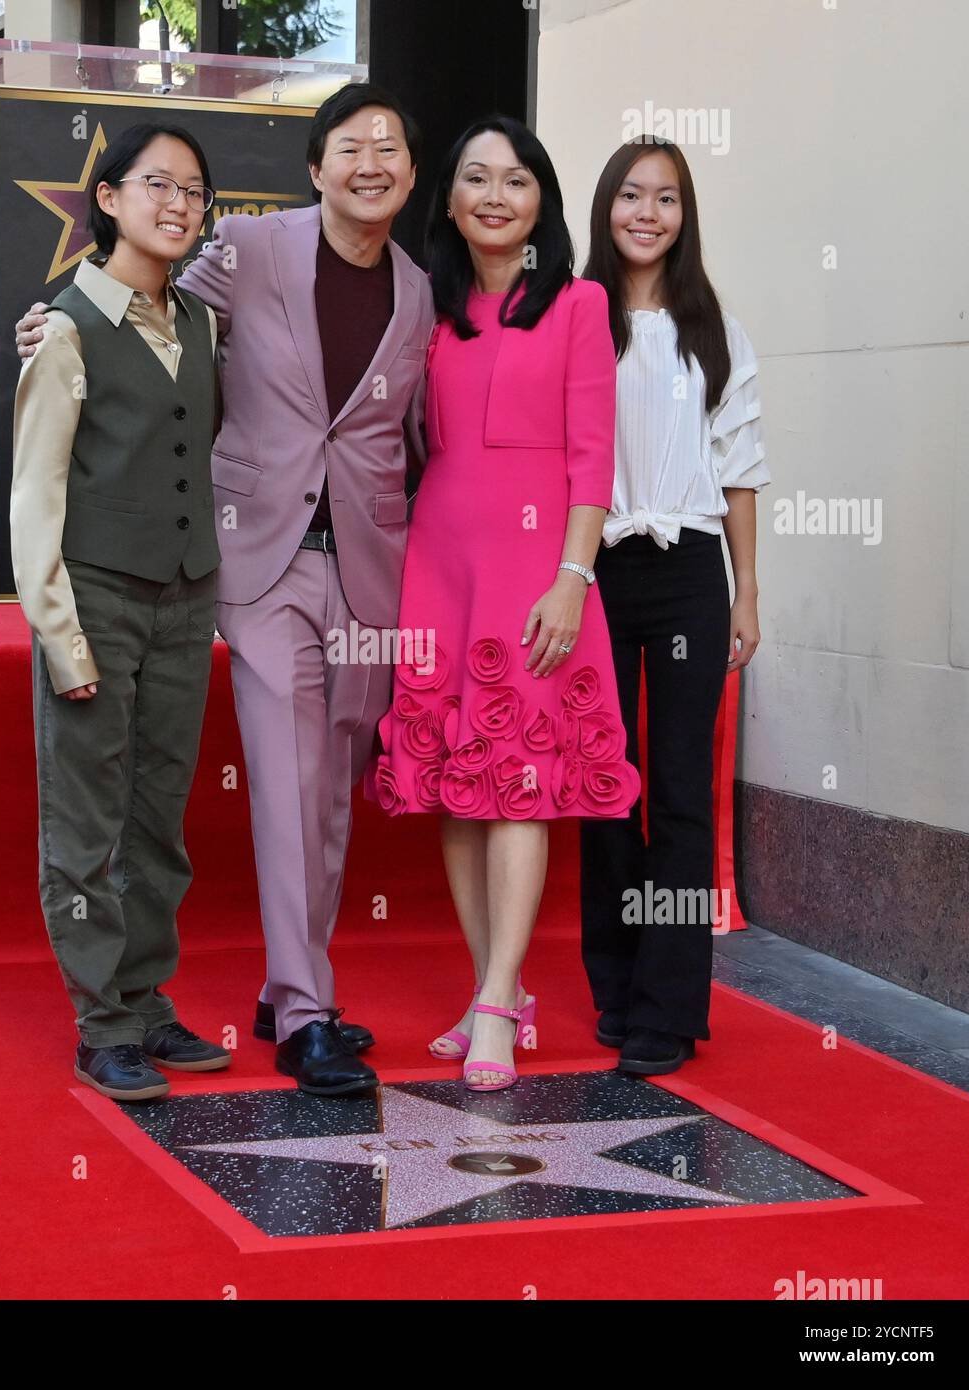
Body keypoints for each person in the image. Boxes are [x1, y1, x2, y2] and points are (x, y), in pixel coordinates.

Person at [16, 85, 435, 1098]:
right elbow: (134, 297)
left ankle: (262, 984)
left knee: (313, 790)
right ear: (315, 165)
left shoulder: (419, 290)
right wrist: (51, 320)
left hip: (352, 568)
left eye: (390, 147)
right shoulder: (243, 253)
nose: (371, 161)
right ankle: (288, 1008)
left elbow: (410, 438)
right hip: (250, 559)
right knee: (249, 783)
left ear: (410, 175)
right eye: (350, 145)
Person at [363, 115, 639, 1092]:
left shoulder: (577, 304)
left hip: (535, 568)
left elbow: (591, 455)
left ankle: (495, 998)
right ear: (445, 200)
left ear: (541, 201)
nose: (493, 194)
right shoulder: (422, 306)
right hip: (438, 558)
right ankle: (498, 987)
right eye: (473, 177)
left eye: (515, 180)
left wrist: (573, 575)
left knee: (518, 777)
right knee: (451, 783)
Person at [11, 122, 230, 1102]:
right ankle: (101, 1023)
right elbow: (34, 496)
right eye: (157, 185)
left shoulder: (202, 323)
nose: (178, 204)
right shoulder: (63, 328)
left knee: (156, 820)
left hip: (185, 600)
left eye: (193, 191)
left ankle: (144, 1002)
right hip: (96, 598)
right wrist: (60, 633)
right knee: (87, 823)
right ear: (108, 198)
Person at [577, 136, 770, 1076]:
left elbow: (739, 471)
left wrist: (745, 590)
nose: (645, 213)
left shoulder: (713, 324)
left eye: (665, 199)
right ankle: (613, 981)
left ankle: (669, 1004)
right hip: (595, 562)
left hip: (690, 568)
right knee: (605, 780)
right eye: (629, 195)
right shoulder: (574, 316)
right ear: (604, 207)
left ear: (684, 217)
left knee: (683, 790)